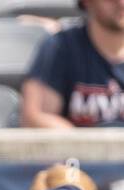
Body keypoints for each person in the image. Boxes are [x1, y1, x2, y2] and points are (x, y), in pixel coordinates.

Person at [23, 0, 124, 128]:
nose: (121, 3)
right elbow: (36, 117)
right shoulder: (60, 47)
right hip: (75, 146)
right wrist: (86, 144)